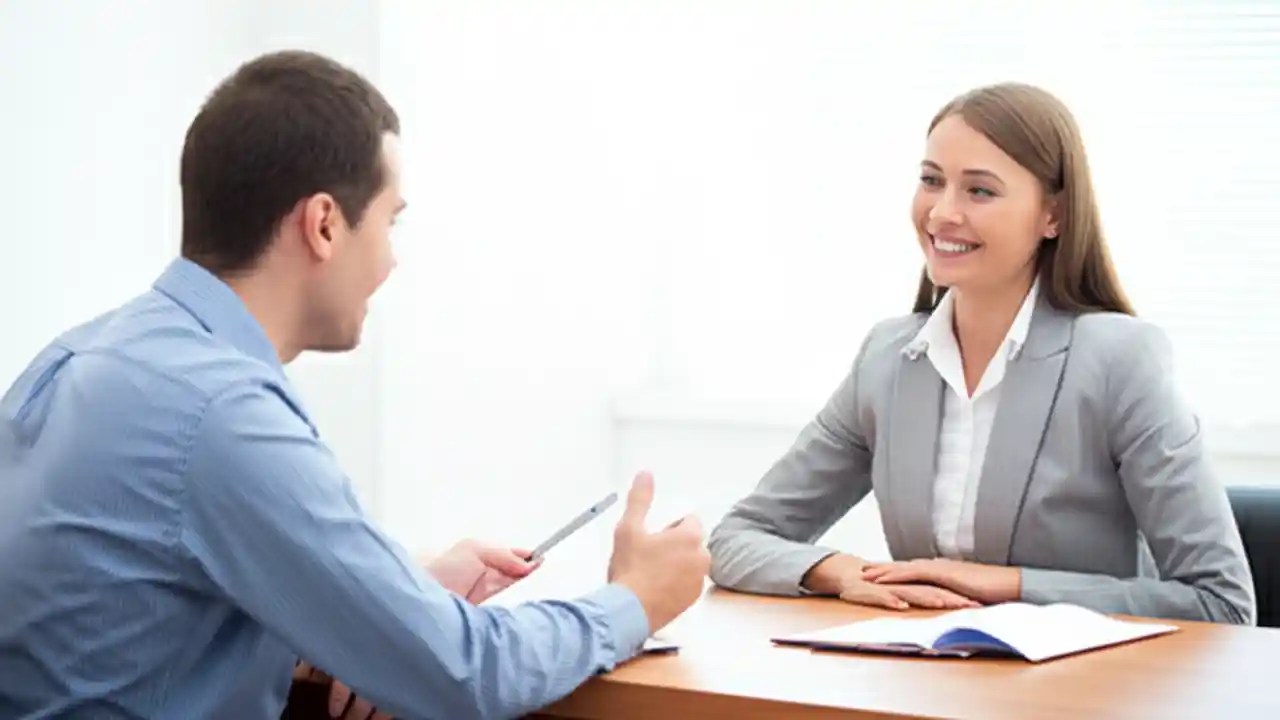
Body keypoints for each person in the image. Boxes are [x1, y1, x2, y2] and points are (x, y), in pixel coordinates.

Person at [0, 50, 710, 719]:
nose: (393, 260)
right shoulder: (222, 415)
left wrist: (386, 601)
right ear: (324, 225)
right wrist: (635, 601)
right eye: (390, 222)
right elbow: (467, 675)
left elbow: (135, 603)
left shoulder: (83, 358)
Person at [707, 82, 1255, 625]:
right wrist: (847, 573)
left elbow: (1221, 603)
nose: (942, 213)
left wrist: (1010, 586)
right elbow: (736, 539)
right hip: (930, 686)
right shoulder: (887, 360)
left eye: (980, 191)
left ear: (1053, 216)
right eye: (931, 181)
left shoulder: (1119, 361)